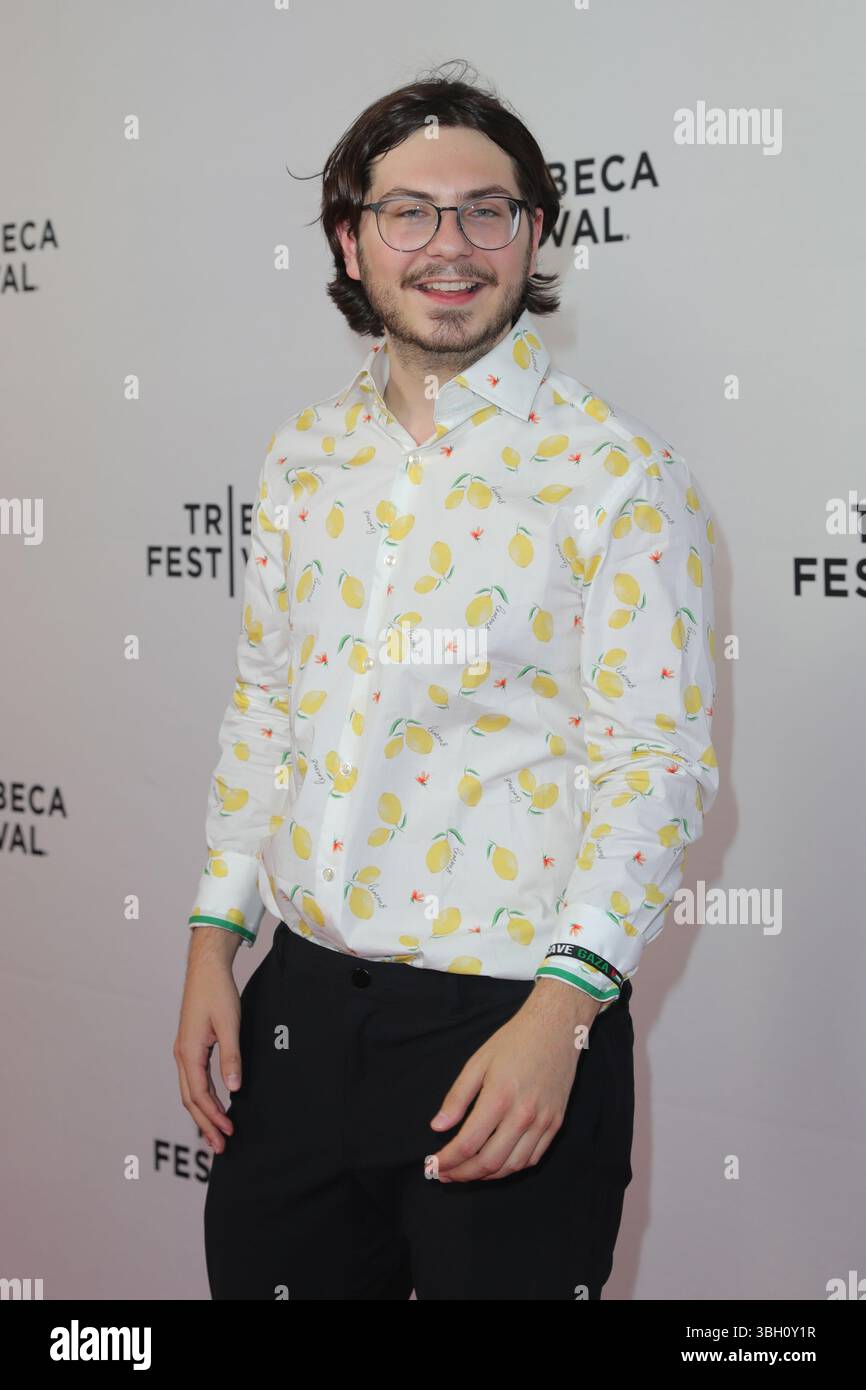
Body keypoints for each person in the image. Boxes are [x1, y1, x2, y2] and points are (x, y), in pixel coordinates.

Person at [174, 59, 719, 1300]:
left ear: (532, 234)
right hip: (297, 1008)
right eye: (407, 210)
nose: (450, 244)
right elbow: (266, 707)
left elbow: (657, 766)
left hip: (505, 1021)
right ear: (349, 239)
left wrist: (560, 1018)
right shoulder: (305, 457)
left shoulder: (617, 475)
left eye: (487, 209)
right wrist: (214, 941)